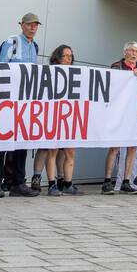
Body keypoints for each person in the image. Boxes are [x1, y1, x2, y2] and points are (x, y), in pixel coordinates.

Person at [0, 12, 42, 197]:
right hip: (8, 101)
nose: (32, 28)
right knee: (0, 142)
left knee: (22, 142)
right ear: (22, 25)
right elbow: (1, 67)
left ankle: (17, 182)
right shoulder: (12, 42)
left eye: (35, 25)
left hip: (25, 101)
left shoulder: (34, 46)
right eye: (29, 24)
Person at [104, 41, 137, 195]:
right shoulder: (116, 67)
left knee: (132, 147)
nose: (134, 54)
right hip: (119, 113)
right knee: (115, 147)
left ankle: (126, 181)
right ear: (125, 52)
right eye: (131, 51)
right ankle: (107, 182)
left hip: (136, 114)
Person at [36, 45, 83, 196]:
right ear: (58, 57)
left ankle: (67, 183)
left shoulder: (75, 74)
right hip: (52, 116)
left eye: (71, 56)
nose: (69, 59)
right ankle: (51, 184)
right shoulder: (49, 73)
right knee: (52, 150)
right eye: (65, 56)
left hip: (68, 117)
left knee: (70, 151)